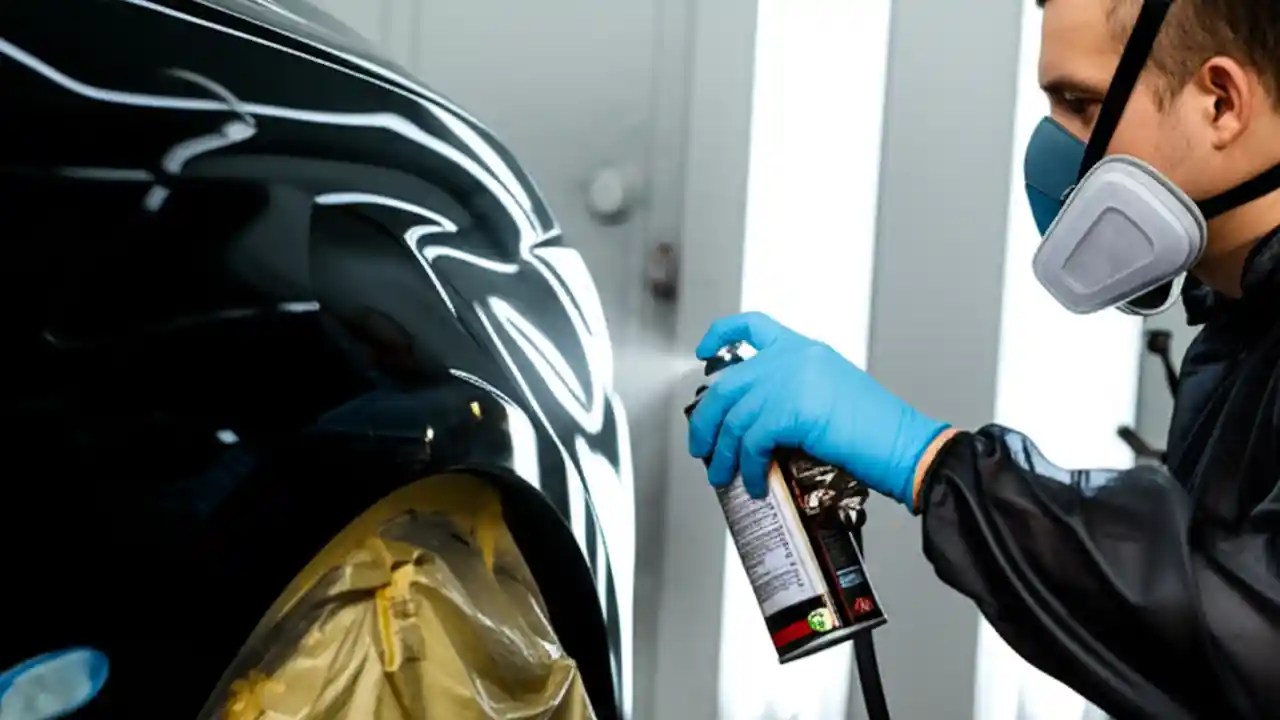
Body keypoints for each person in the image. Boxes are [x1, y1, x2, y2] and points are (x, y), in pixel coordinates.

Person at [686, 0, 1279, 718]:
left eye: (1080, 103)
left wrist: (930, 461)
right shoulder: (1244, 329)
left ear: (1220, 102)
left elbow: (1247, 632)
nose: (1050, 151)